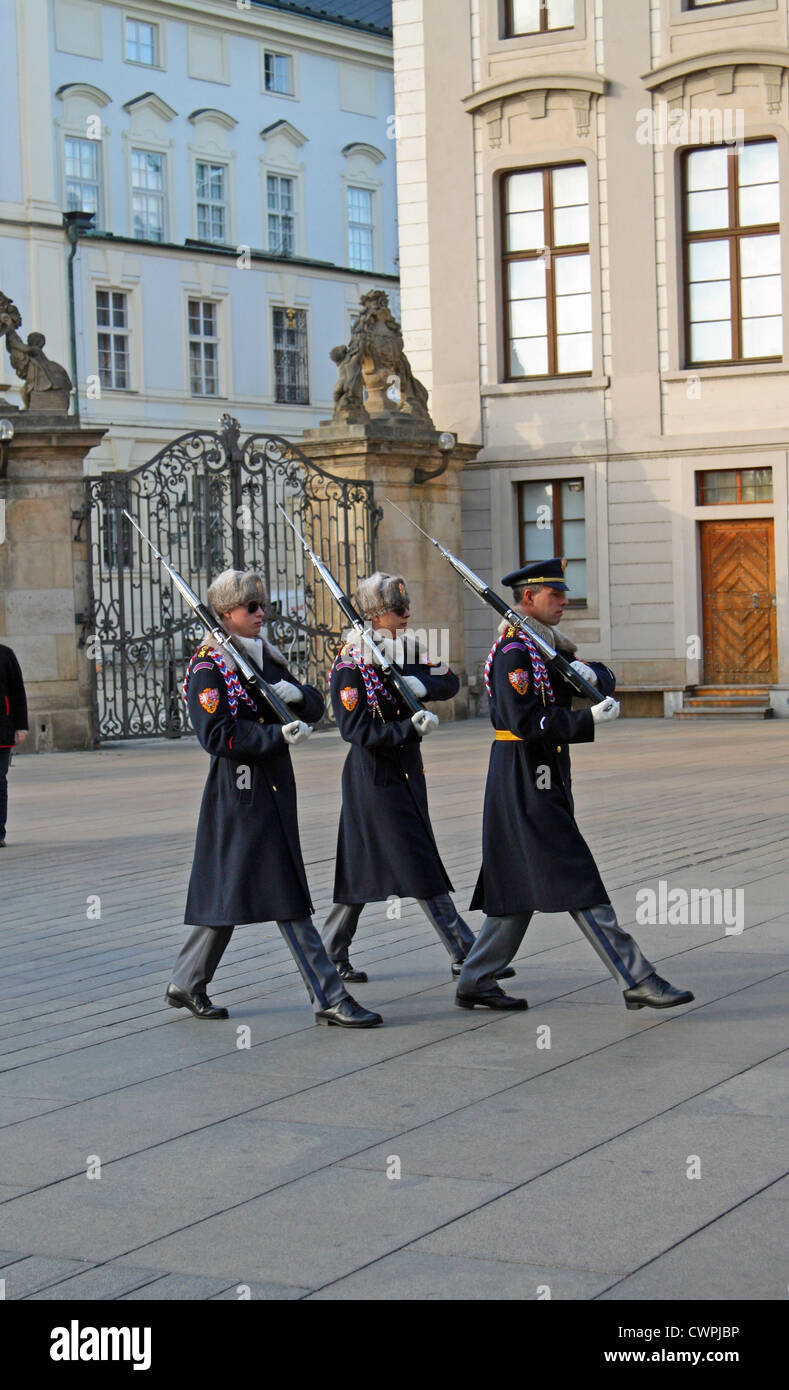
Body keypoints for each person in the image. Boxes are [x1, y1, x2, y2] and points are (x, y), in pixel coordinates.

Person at [456, 557, 694, 1014]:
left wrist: (591, 679)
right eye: (554, 595)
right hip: (522, 776)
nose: (565, 601)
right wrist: (584, 717)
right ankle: (637, 977)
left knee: (517, 885)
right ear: (528, 599)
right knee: (576, 875)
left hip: (542, 774)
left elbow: (596, 675)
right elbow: (522, 720)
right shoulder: (515, 653)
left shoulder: (546, 645)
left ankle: (476, 979)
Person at [166, 569, 381, 1028]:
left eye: (262, 605)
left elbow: (316, 706)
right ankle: (329, 995)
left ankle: (187, 980)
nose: (261, 613)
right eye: (251, 608)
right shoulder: (210, 666)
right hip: (240, 791)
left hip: (272, 788)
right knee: (287, 895)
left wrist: (294, 696)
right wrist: (272, 735)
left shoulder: (264, 657)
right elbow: (217, 734)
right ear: (226, 615)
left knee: (231, 888)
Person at [322, 571, 515, 985]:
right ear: (375, 615)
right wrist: (408, 729)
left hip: (407, 772)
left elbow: (448, 681)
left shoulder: (407, 648)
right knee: (420, 865)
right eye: (398, 609)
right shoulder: (352, 662)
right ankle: (466, 951)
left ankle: (329, 954)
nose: (408, 614)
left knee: (361, 873)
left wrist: (417, 684)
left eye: (407, 607)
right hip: (373, 779)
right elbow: (355, 731)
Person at [0, 642, 29, 847]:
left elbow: (18, 691)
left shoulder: (5, 654)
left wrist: (20, 727)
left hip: (2, 730)